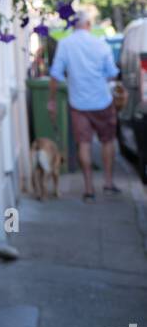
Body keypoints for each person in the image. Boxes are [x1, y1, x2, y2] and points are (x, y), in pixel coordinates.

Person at [48, 12, 120, 201]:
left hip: (78, 103)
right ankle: (108, 183)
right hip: (102, 100)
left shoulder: (65, 44)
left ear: (74, 26)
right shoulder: (101, 43)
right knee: (107, 140)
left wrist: (52, 100)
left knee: (84, 143)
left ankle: (88, 189)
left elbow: (55, 74)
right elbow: (112, 73)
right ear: (88, 24)